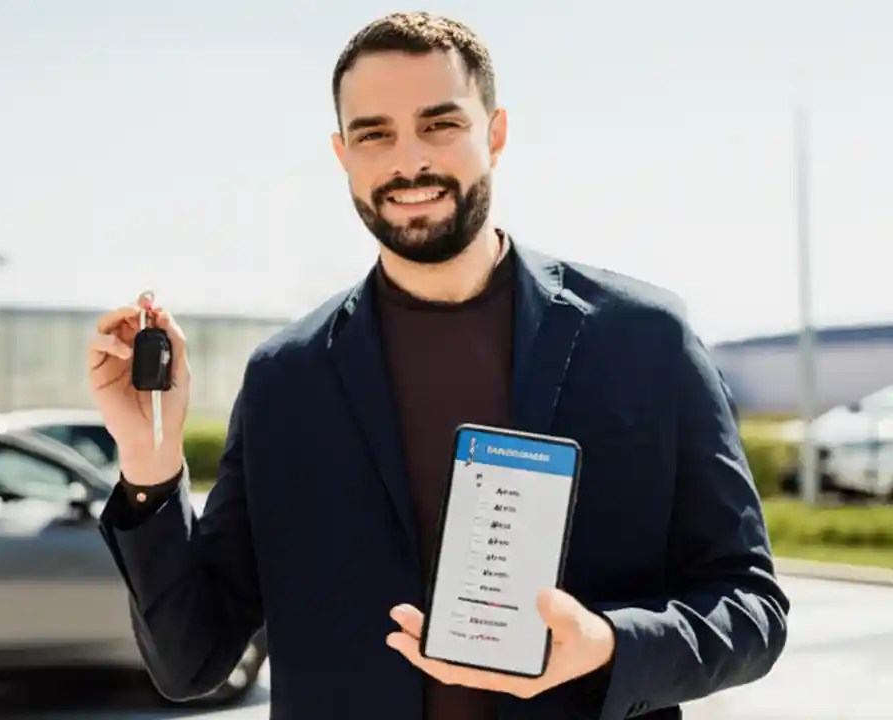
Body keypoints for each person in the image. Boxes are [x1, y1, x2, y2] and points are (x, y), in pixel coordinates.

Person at [86, 11, 789, 720]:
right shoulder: (287, 377)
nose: (408, 160)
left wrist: (608, 645)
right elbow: (190, 662)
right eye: (374, 134)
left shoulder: (645, 338)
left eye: (440, 124)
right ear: (342, 154)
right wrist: (150, 464)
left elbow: (750, 606)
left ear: (496, 134)